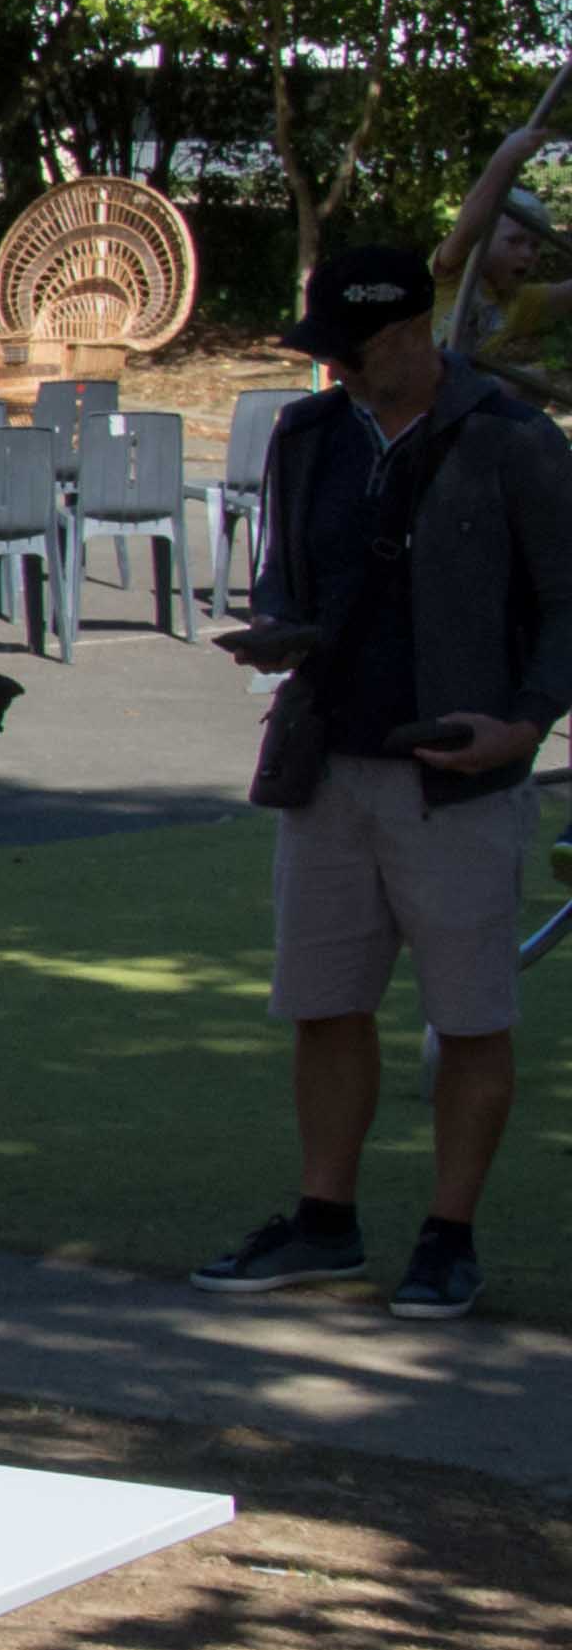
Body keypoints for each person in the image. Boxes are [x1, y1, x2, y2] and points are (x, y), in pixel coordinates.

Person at [207, 244, 572, 1323]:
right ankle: (326, 1217)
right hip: (330, 760)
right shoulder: (310, 431)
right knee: (324, 1004)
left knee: (470, 1015)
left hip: (458, 773)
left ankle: (449, 1236)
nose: (341, 373)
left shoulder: (514, 438)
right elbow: (282, 567)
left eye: (356, 352)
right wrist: (278, 631)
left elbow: (567, 603)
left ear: (415, 332)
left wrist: (522, 725)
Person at [432, 105, 567, 391]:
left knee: (534, 381)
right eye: (514, 241)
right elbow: (469, 226)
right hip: (410, 389)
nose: (528, 253)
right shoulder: (450, 274)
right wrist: (506, 157)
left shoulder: (517, 302)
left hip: (450, 398)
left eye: (535, 245)